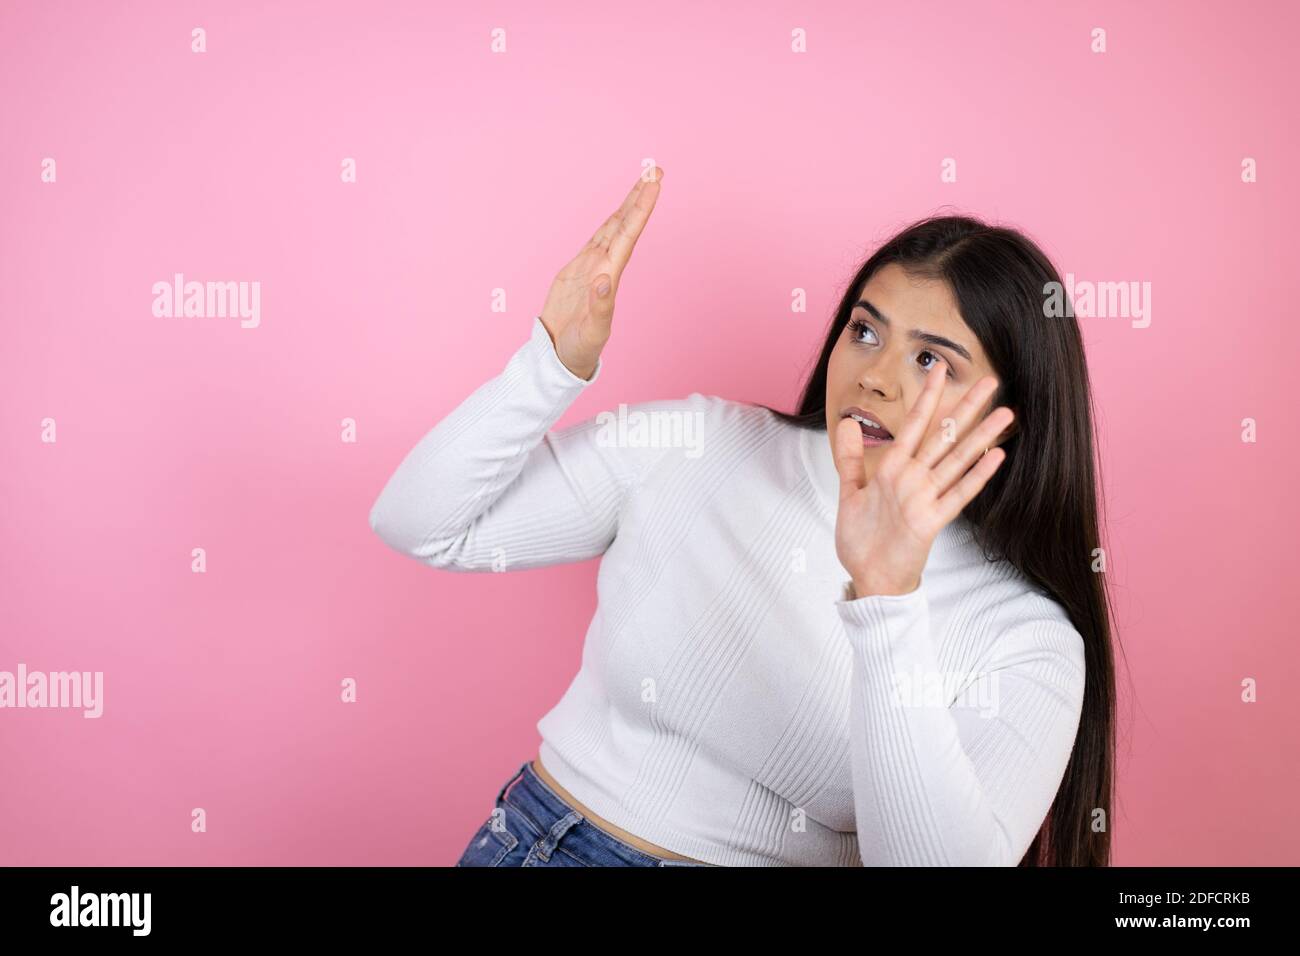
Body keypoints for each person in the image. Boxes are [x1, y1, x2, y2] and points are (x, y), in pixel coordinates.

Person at [369, 167, 1117, 866]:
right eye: (865, 330)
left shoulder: (1027, 637)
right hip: (549, 842)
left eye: (931, 360)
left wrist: (887, 596)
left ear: (1010, 412)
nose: (877, 377)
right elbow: (423, 523)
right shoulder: (701, 444)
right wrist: (551, 361)